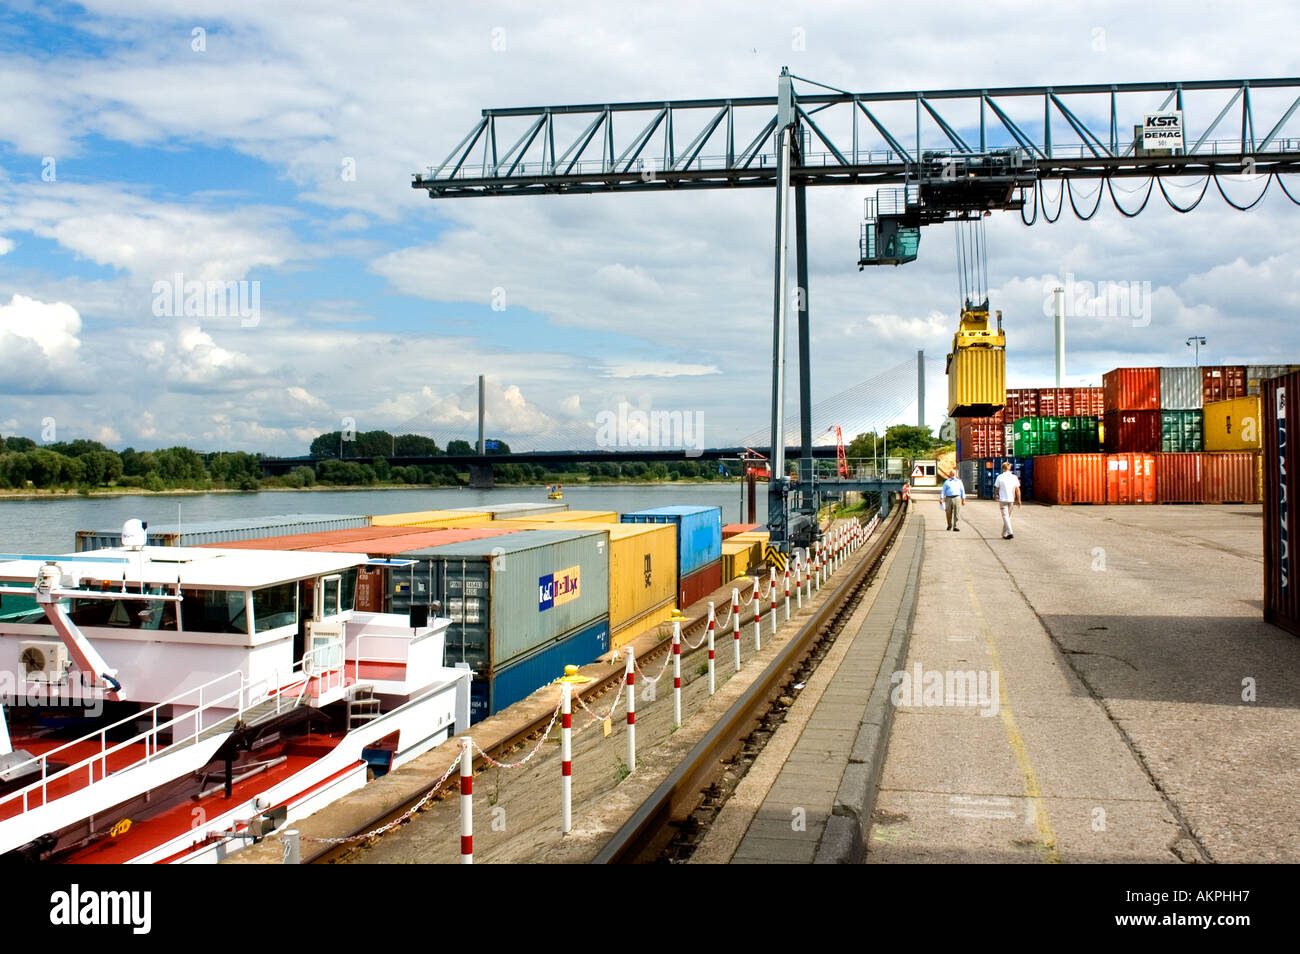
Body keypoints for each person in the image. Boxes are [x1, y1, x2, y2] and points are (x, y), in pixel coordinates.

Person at [994, 461, 1022, 539]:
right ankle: (1004, 534)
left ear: (1003, 468)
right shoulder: (1014, 477)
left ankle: (1010, 532)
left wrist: (996, 495)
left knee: (1005, 517)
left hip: (1003, 499)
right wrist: (1019, 499)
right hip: (1011, 499)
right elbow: (1017, 489)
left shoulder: (1000, 477)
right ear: (1009, 468)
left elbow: (996, 487)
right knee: (1008, 517)